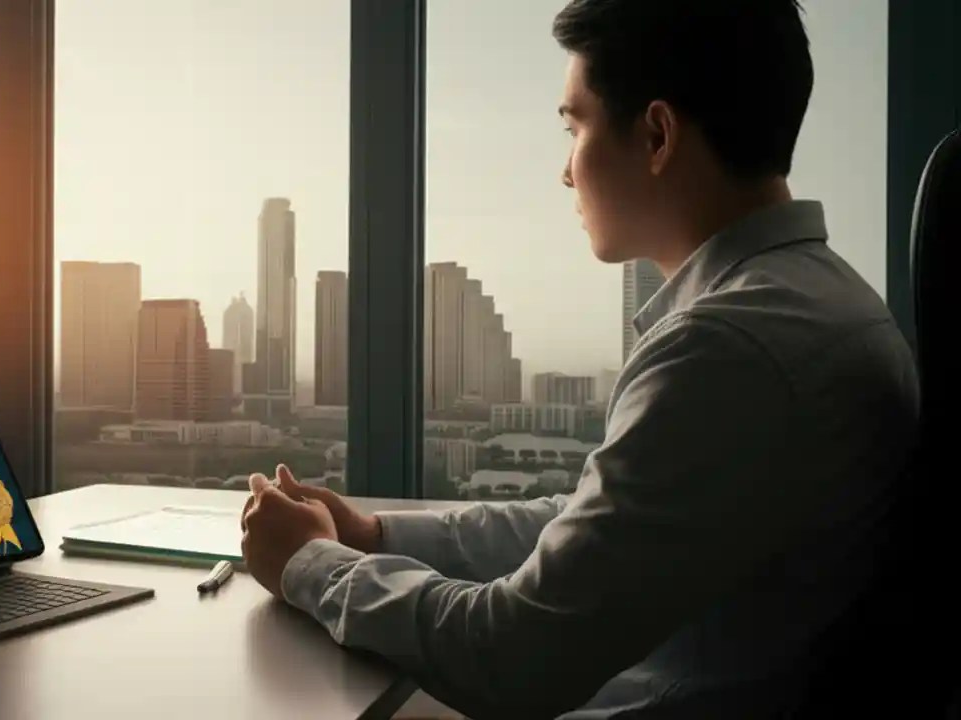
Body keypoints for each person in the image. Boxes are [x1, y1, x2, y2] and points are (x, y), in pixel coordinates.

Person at [239, 0, 921, 717]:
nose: (566, 172)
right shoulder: (827, 302)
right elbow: (597, 528)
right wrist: (374, 535)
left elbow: (513, 655)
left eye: (575, 128)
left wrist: (309, 565)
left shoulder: (724, 349)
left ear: (656, 135)